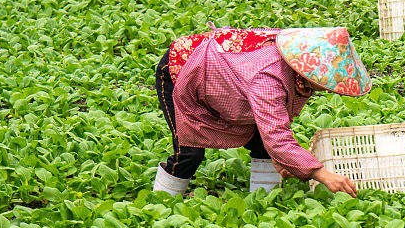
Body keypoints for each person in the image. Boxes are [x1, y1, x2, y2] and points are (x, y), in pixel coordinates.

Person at [153, 26, 369, 197]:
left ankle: (263, 202)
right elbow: (277, 137)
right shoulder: (269, 78)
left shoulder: (298, 63)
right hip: (182, 68)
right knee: (190, 153)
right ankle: (161, 206)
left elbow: (275, 123)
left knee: (263, 144)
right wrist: (323, 175)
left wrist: (282, 158)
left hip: (225, 80)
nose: (331, 87)